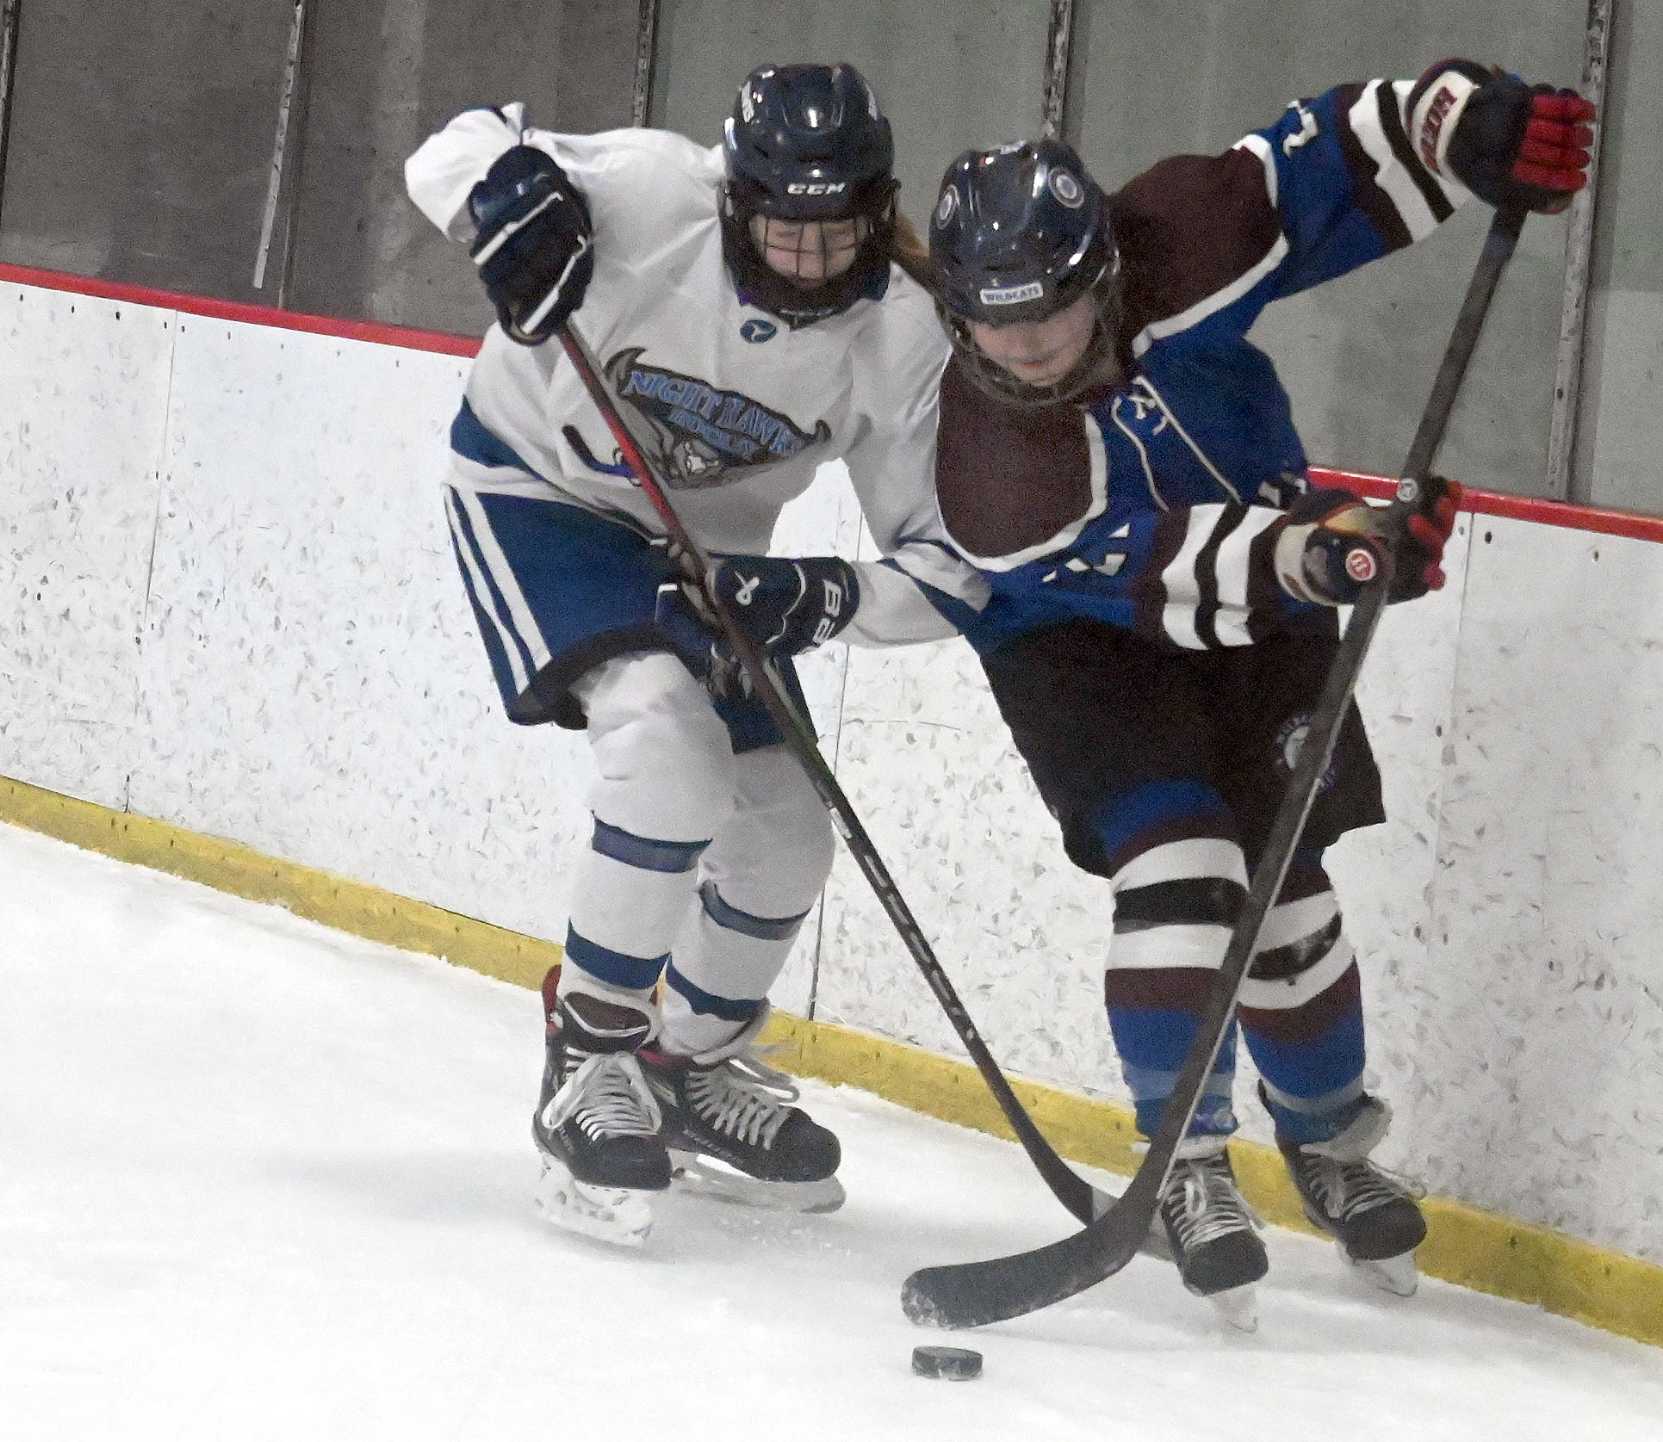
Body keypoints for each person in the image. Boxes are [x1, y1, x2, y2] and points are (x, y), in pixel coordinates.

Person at [905, 61, 1595, 1316]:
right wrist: (1333, 549)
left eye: (1047, 317)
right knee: (1183, 870)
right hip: (1074, 635)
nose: (1023, 348)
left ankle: (1327, 1141)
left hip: (1254, 580)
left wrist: (1462, 122)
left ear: (1101, 269)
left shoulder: (1177, 234)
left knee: (1284, 889)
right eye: (992, 325)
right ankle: (1185, 1162)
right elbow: (1175, 573)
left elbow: (1319, 160)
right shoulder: (987, 468)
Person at [404, 64, 985, 1245]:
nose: (813, 260)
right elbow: (453, 145)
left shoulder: (902, 333)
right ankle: (591, 1054)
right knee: (667, 746)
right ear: (734, 198)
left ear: (878, 210)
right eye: (785, 229)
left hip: (704, 559)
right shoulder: (652, 190)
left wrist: (825, 595)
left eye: (839, 234)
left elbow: (947, 570)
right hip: (539, 489)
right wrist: (503, 202)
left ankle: (682, 1063)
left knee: (782, 840)